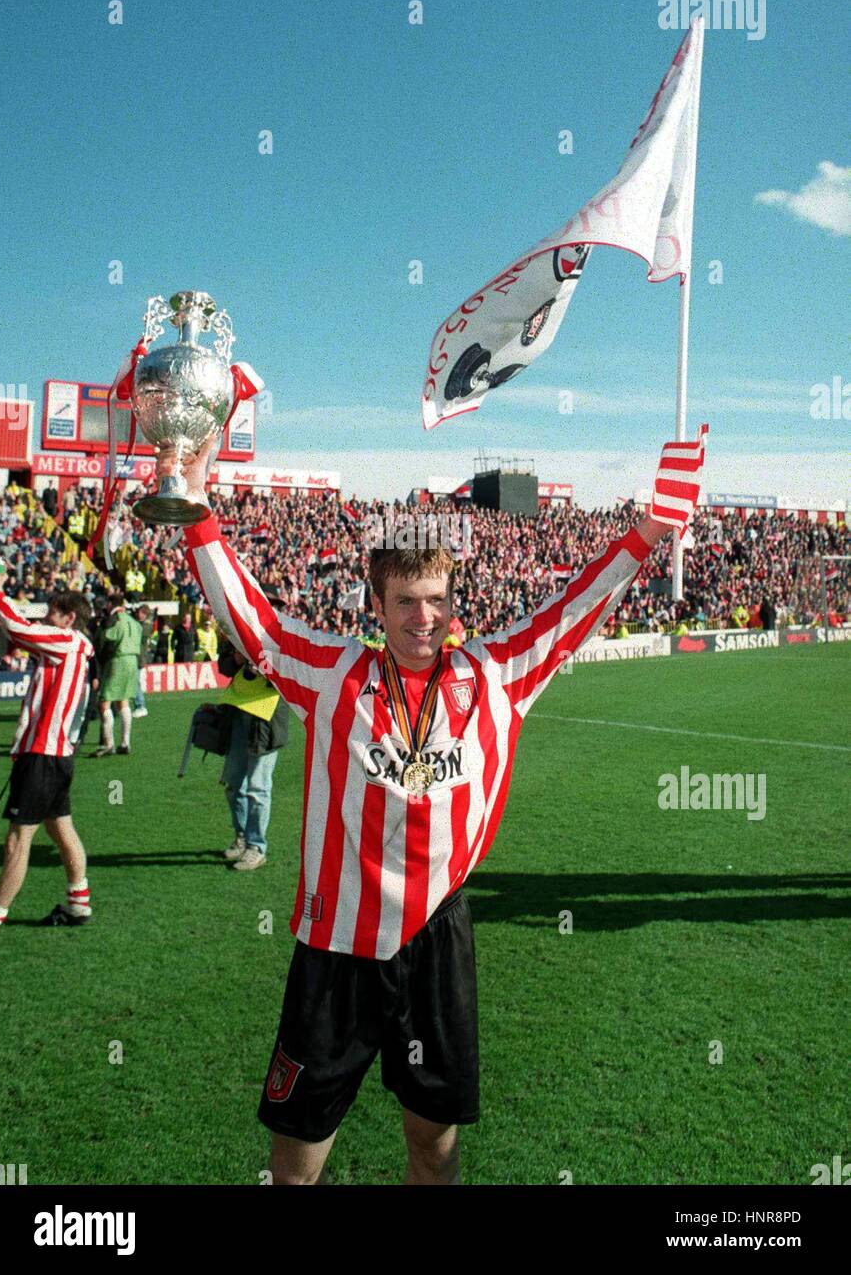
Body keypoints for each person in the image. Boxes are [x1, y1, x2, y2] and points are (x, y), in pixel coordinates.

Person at [154, 426, 706, 1185]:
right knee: (294, 1164)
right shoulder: (334, 674)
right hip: (336, 946)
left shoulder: (494, 675)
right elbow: (255, 621)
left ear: (455, 603)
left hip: (437, 943)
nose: (424, 618)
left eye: (438, 601)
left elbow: (576, 604)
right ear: (376, 604)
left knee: (434, 1149)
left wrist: (648, 531)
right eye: (406, 601)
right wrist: (196, 515)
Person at [0, 568, 95, 943]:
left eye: (51, 613)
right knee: (60, 827)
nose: (46, 618)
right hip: (57, 756)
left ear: (69, 618)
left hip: (42, 754)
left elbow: (19, 629)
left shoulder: (66, 640)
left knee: (18, 838)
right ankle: (78, 902)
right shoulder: (75, 647)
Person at [218, 639, 290, 870]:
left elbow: (288, 676)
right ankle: (241, 838)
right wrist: (239, 658)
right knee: (232, 784)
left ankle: (256, 847)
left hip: (266, 720)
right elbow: (224, 668)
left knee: (258, 788)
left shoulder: (282, 638)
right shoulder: (237, 632)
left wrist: (262, 664)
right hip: (238, 715)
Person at [93, 591, 142, 757]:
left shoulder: (113, 620)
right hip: (132, 661)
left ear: (110, 604)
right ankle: (126, 742)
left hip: (117, 660)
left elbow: (105, 640)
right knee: (124, 701)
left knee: (104, 703)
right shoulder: (133, 621)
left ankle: (108, 744)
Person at [132, 602, 155, 718]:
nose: (137, 614)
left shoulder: (146, 625)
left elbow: (140, 634)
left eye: (139, 612)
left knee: (135, 682)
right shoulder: (143, 623)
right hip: (137, 656)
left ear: (144, 614)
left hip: (139, 657)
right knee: (134, 681)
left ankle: (140, 706)